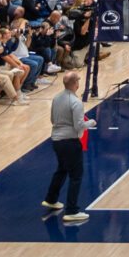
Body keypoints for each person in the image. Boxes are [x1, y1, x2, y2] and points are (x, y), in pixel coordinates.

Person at [42, 68, 89, 223]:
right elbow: (78, 125)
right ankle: (72, 210)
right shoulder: (76, 102)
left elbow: (52, 120)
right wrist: (91, 123)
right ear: (75, 84)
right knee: (76, 175)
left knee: (62, 169)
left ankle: (51, 198)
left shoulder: (56, 98)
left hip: (56, 140)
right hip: (70, 142)